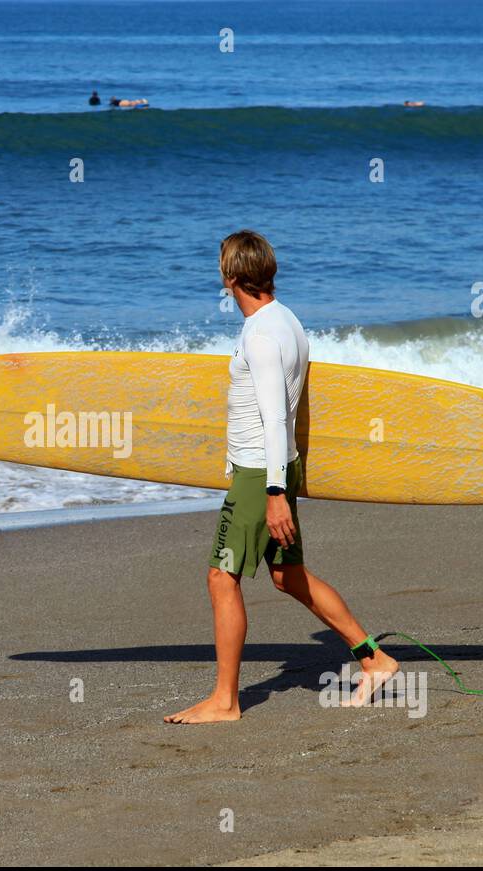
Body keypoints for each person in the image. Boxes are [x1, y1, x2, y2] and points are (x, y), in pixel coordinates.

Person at [165, 231, 397, 724]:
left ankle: (226, 701)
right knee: (287, 575)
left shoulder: (261, 335)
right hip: (277, 465)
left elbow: (274, 416)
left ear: (230, 277)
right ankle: (374, 659)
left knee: (220, 578)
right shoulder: (287, 319)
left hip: (260, 473)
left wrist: (272, 494)